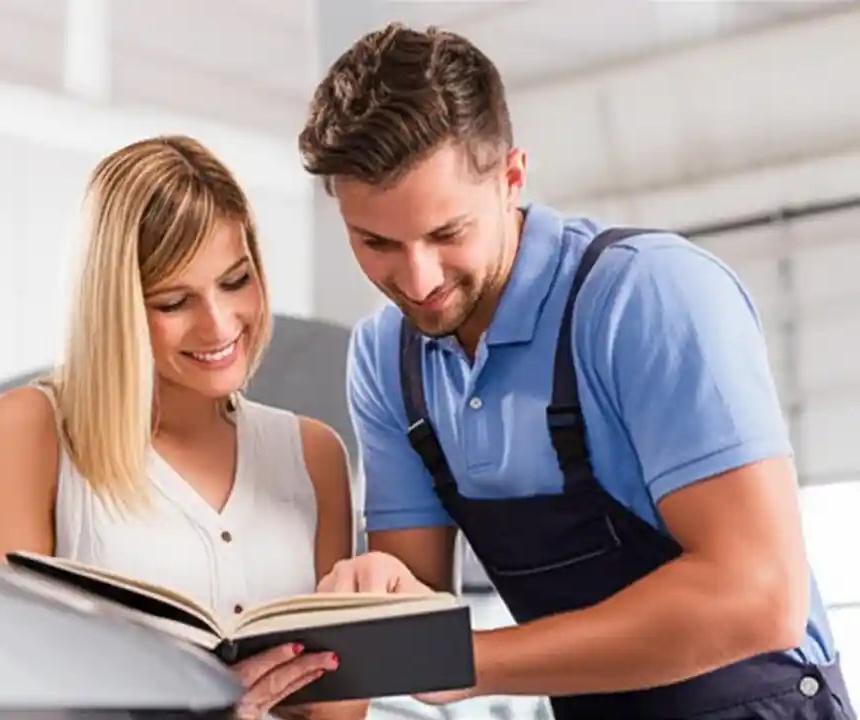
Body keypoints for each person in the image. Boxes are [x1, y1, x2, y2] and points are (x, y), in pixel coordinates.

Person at [298, 21, 854, 720]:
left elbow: (760, 597)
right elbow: (418, 619)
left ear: (512, 178)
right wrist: (380, 589)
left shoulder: (647, 296)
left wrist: (471, 661)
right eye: (375, 241)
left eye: (448, 234)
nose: (417, 279)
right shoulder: (387, 359)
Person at [0, 135, 366, 720]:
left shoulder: (312, 454)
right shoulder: (34, 431)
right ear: (114, 306)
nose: (219, 324)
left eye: (235, 281)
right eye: (174, 302)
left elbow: (338, 711)